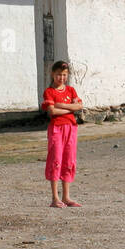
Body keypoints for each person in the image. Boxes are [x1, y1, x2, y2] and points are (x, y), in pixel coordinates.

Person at [41, 61, 83, 208]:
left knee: (69, 160)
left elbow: (79, 105)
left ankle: (66, 196)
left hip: (71, 128)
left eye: (64, 75)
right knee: (56, 159)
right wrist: (70, 109)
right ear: (53, 74)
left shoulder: (71, 90)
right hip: (57, 128)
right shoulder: (49, 92)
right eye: (59, 74)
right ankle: (55, 198)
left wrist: (63, 106)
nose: (61, 77)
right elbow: (52, 111)